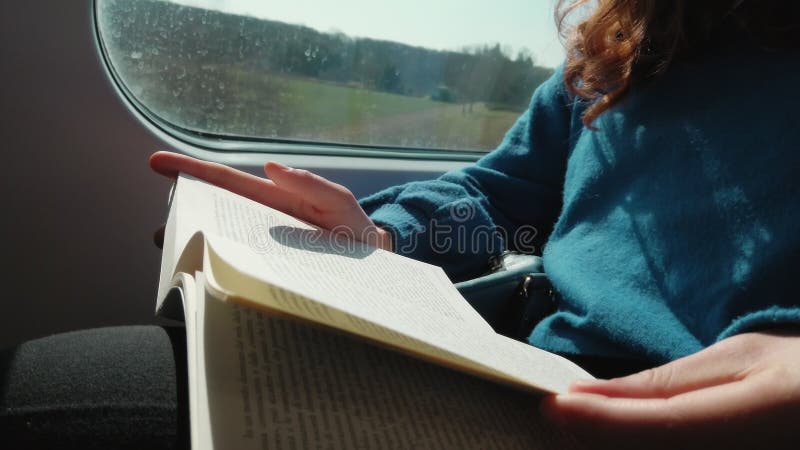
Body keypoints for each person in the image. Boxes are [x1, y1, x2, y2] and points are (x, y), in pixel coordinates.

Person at [2, 0, 799, 448]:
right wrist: (381, 233)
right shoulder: (625, 56)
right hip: (531, 380)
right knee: (67, 381)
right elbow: (500, 198)